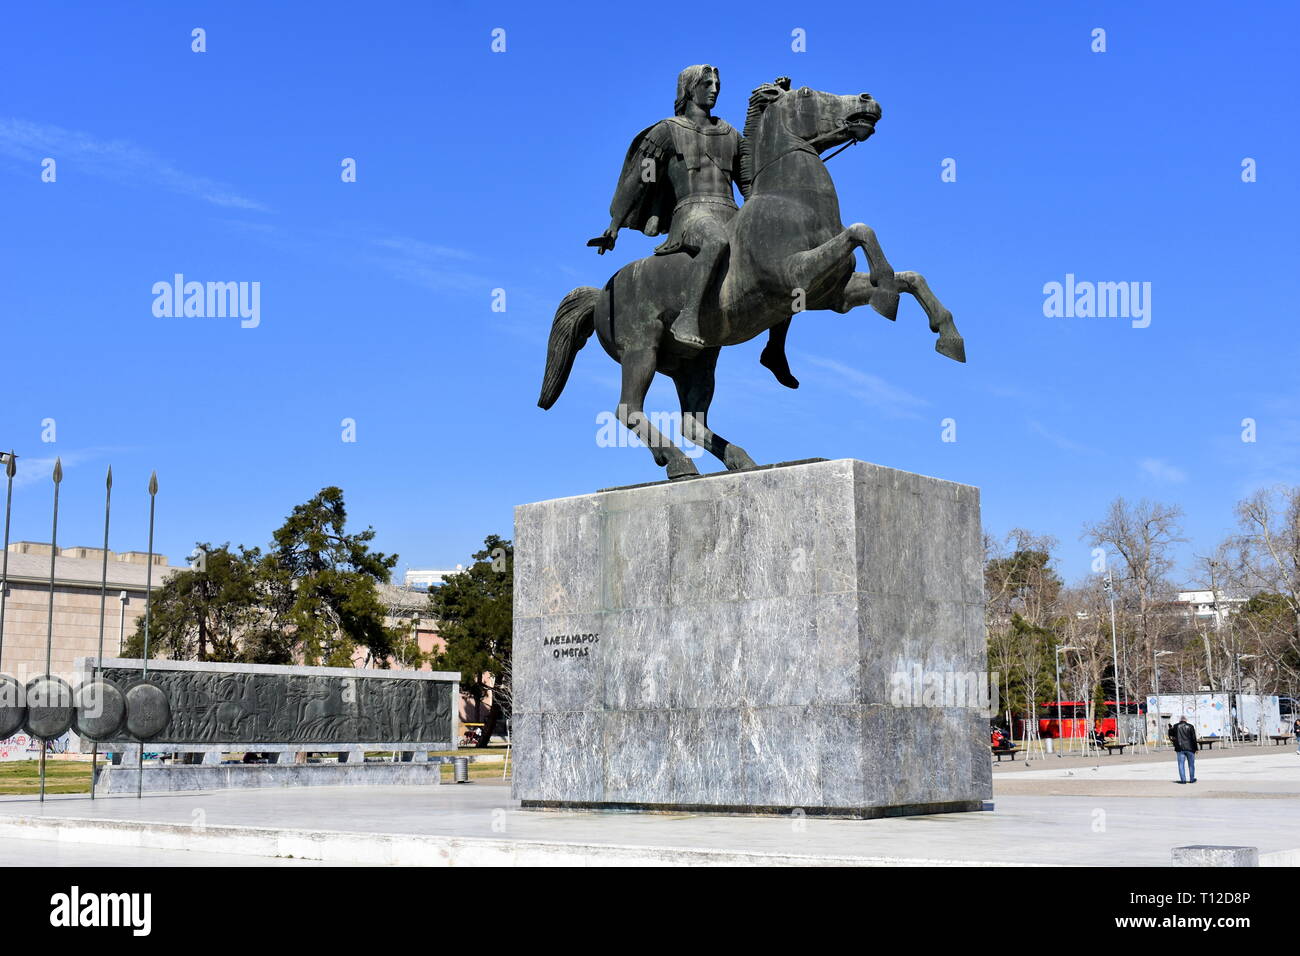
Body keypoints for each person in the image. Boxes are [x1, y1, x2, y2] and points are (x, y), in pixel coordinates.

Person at [591, 66, 801, 387]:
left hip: (731, 212)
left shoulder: (730, 134)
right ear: (689, 89)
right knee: (715, 241)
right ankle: (687, 318)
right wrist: (614, 226)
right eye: (707, 83)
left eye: (717, 83)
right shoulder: (666, 132)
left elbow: (747, 185)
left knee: (783, 262)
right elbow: (639, 181)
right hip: (691, 214)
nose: (714, 89)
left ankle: (774, 348)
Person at [1168, 715, 1199, 783]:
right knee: (1191, 764)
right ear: (1186, 720)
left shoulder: (1175, 726)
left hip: (1180, 748)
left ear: (1180, 720)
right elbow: (1194, 738)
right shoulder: (1190, 726)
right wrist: (1196, 748)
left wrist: (1170, 728)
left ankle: (1183, 780)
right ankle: (1191, 779)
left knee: (1181, 764)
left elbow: (1171, 735)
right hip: (1190, 748)